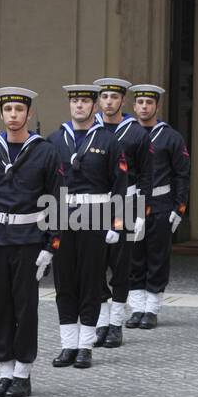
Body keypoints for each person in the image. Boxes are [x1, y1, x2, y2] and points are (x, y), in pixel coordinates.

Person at [0, 87, 64, 397]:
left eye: (19, 110)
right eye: (8, 110)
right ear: (2, 114)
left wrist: (51, 245)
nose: (13, 116)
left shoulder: (45, 151)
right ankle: (4, 370)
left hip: (28, 240)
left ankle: (23, 373)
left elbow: (56, 201)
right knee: (1, 307)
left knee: (25, 307)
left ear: (29, 114)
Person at [46, 84, 127, 370]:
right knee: (64, 281)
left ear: (93, 106)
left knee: (91, 282)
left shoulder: (109, 140)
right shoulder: (55, 139)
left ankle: (85, 345)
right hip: (63, 214)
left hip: (96, 214)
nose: (79, 106)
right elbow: (46, 185)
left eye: (84, 101)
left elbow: (120, 184)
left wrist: (117, 223)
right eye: (75, 101)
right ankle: (68, 343)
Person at [125, 84, 190, 328]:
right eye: (140, 102)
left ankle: (151, 308)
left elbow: (181, 174)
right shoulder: (126, 134)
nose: (144, 107)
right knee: (132, 256)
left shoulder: (171, 137)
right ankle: (136, 307)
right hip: (131, 203)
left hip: (161, 203)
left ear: (157, 106)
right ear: (134, 106)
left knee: (157, 256)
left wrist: (179, 206)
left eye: (149, 103)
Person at [92, 77, 148, 346]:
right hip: (95, 203)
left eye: (114, 97)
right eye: (104, 97)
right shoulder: (91, 131)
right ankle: (101, 321)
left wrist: (141, 213)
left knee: (121, 265)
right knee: (97, 264)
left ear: (122, 101)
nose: (109, 102)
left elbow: (148, 175)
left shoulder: (136, 133)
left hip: (127, 201)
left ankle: (116, 323)